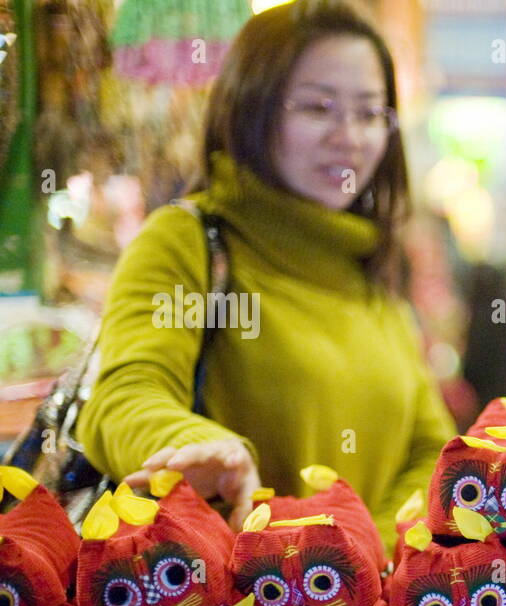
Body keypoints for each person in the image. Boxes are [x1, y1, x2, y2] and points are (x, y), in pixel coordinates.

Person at [76, 0, 456, 551]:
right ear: (251, 109)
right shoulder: (189, 241)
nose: (350, 135)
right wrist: (196, 447)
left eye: (370, 112)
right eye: (318, 107)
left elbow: (431, 451)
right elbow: (124, 397)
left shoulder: (369, 269)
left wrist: (356, 552)